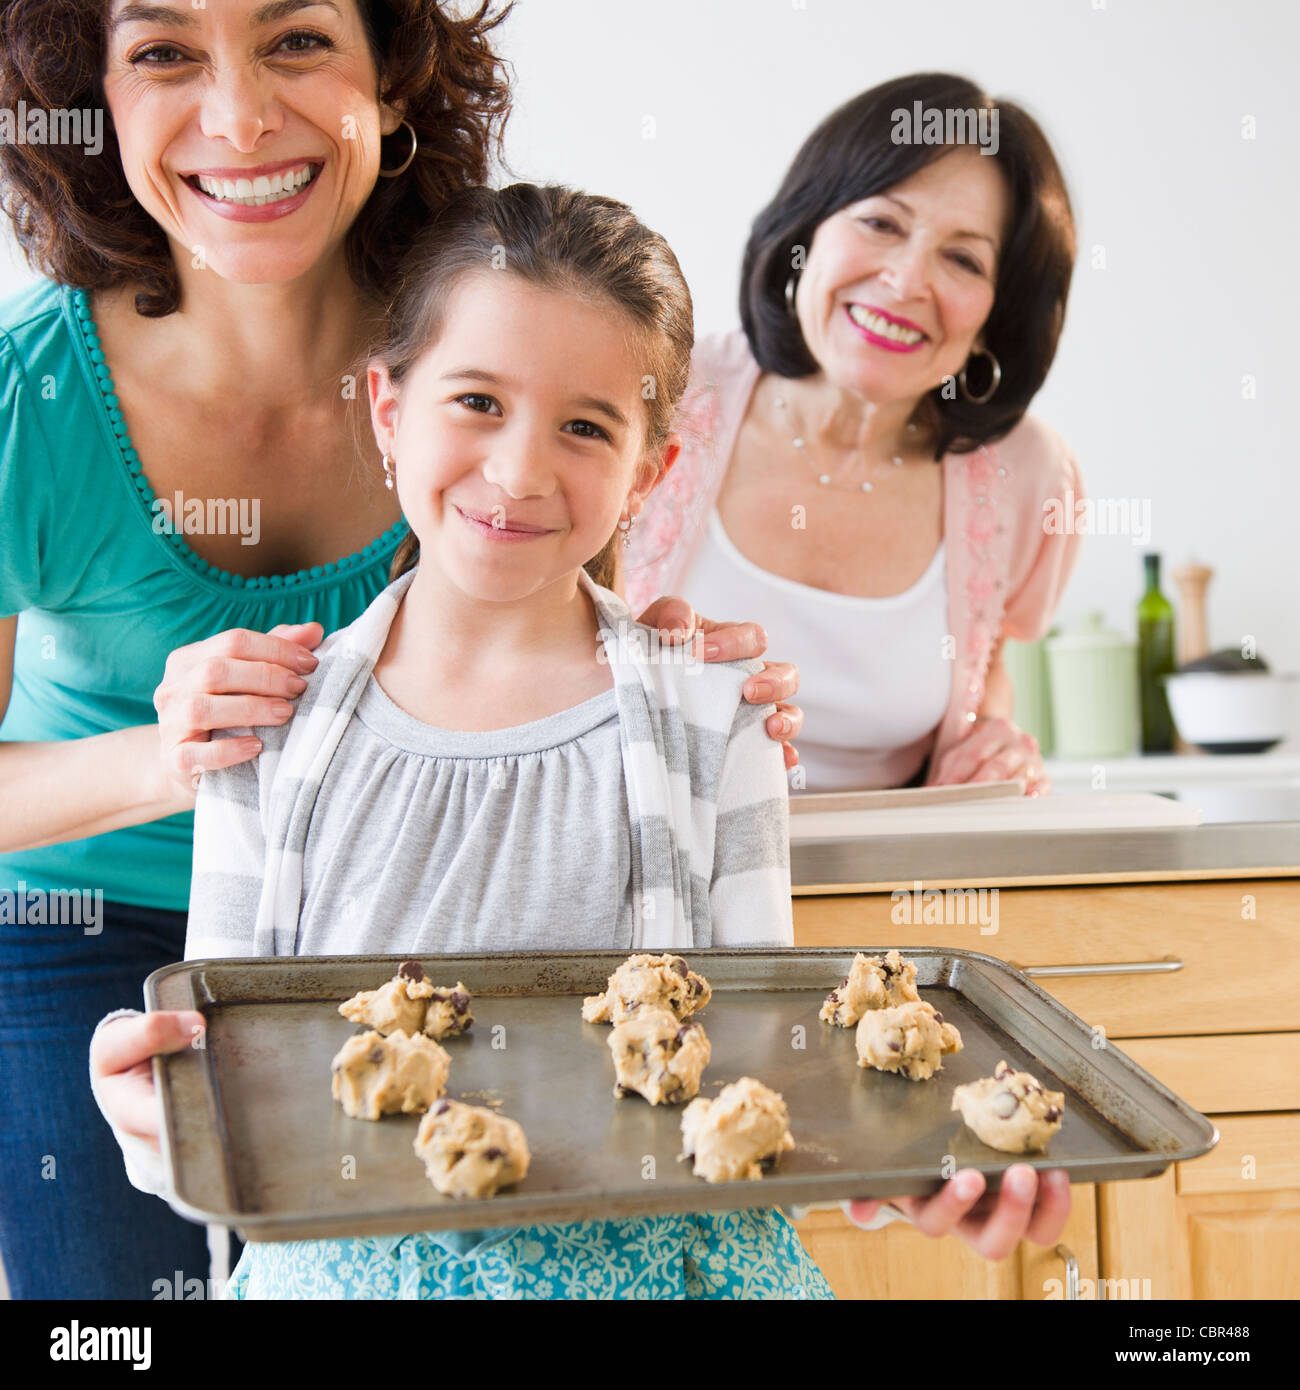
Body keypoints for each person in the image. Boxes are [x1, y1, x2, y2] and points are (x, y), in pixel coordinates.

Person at [92, 182, 1070, 1300]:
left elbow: (766, 1058)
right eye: (474, 401)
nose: (519, 471)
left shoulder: (718, 718)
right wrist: (139, 1097)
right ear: (385, 408)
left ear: (650, 468)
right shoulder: (267, 724)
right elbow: (223, 1085)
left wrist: (906, 1157)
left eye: (585, 426)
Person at [0, 0, 798, 1300]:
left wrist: (665, 670)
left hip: (385, 924)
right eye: (163, 51)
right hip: (81, 915)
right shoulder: (25, 399)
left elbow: (553, 567)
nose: (242, 114)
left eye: (297, 39)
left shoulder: (483, 315)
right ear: (94, 96)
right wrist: (179, 755)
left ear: (393, 79)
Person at [624, 73, 1083, 796]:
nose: (905, 281)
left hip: (887, 890)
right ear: (807, 229)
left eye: (963, 259)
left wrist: (994, 745)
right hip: (648, 882)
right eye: (882, 223)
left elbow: (982, 667)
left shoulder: (1026, 475)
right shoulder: (663, 388)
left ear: (998, 315)